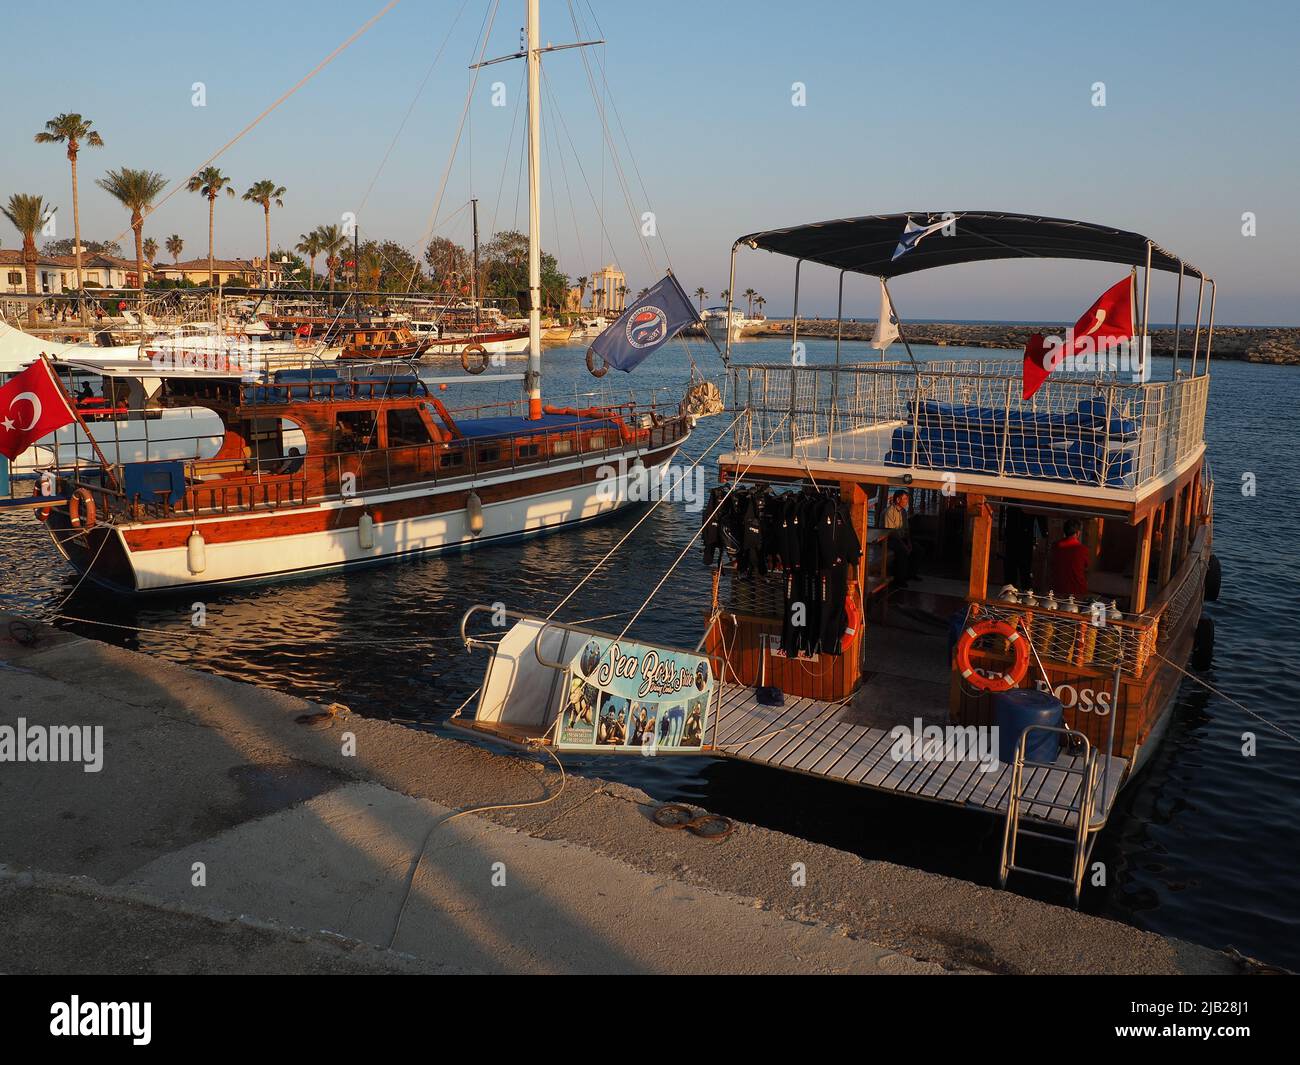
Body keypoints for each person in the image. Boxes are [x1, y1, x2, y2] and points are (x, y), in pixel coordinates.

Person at [1049, 519, 1091, 599]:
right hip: (1078, 592)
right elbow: (1087, 568)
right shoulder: (1083, 549)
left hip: (1057, 590)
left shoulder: (1055, 546)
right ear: (1078, 533)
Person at [883, 489, 914, 587]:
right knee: (902, 551)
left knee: (918, 550)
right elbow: (892, 533)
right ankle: (899, 580)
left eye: (907, 499)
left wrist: (909, 543)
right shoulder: (889, 512)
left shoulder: (903, 512)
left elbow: (906, 529)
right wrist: (904, 545)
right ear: (897, 500)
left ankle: (911, 574)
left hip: (901, 538)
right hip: (890, 539)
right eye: (904, 499)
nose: (906, 501)